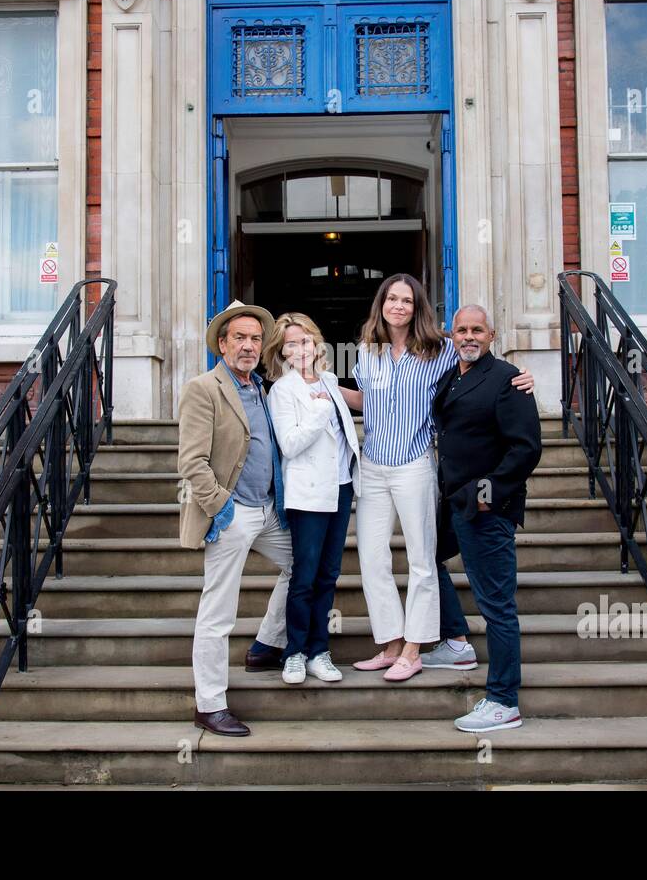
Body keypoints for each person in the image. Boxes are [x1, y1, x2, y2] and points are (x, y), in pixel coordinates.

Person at [336, 274, 534, 682]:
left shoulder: (439, 349)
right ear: (382, 304)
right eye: (392, 298)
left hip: (414, 464)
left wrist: (524, 378)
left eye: (407, 300)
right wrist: (321, 387)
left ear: (417, 307)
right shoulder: (367, 351)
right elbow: (365, 400)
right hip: (372, 465)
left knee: (423, 560)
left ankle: (415, 647)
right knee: (373, 559)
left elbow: (477, 361)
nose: (399, 306)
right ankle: (390, 643)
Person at [177, 300, 292, 738]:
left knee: (304, 564)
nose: (248, 345)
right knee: (218, 612)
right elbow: (191, 461)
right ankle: (210, 704)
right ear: (222, 344)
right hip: (231, 513)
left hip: (267, 511)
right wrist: (219, 505)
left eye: (255, 338)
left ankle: (266, 643)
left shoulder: (262, 388)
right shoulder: (203, 388)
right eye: (239, 338)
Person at [433, 304, 542, 732]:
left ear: (492, 335)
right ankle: (456, 640)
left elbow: (526, 448)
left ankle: (503, 700)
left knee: (497, 606)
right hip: (451, 500)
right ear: (452, 335)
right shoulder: (451, 374)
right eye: (462, 330)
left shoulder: (508, 379)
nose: (469, 336)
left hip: (486, 506)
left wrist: (485, 496)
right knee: (429, 561)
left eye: (477, 330)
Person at [263, 313, 361, 685]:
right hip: (307, 495)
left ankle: (320, 651)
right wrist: (320, 409)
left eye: (304, 340)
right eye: (290, 343)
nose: (299, 348)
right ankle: (294, 653)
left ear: (316, 343)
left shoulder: (331, 381)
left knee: (329, 575)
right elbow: (289, 444)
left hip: (340, 487)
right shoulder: (282, 390)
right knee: (304, 577)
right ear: (282, 351)